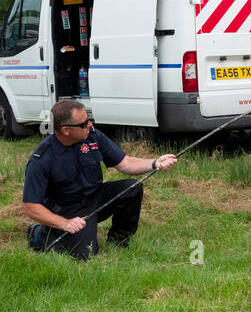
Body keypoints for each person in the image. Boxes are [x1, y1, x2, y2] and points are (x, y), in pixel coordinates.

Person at [22, 99, 177, 260]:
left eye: (89, 120)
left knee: (132, 187)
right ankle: (38, 234)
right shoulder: (42, 159)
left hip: (95, 197)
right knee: (85, 253)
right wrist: (64, 223)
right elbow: (30, 206)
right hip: (69, 209)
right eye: (83, 124)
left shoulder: (93, 136)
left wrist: (155, 163)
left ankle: (119, 241)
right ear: (66, 130)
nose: (89, 125)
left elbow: (126, 163)